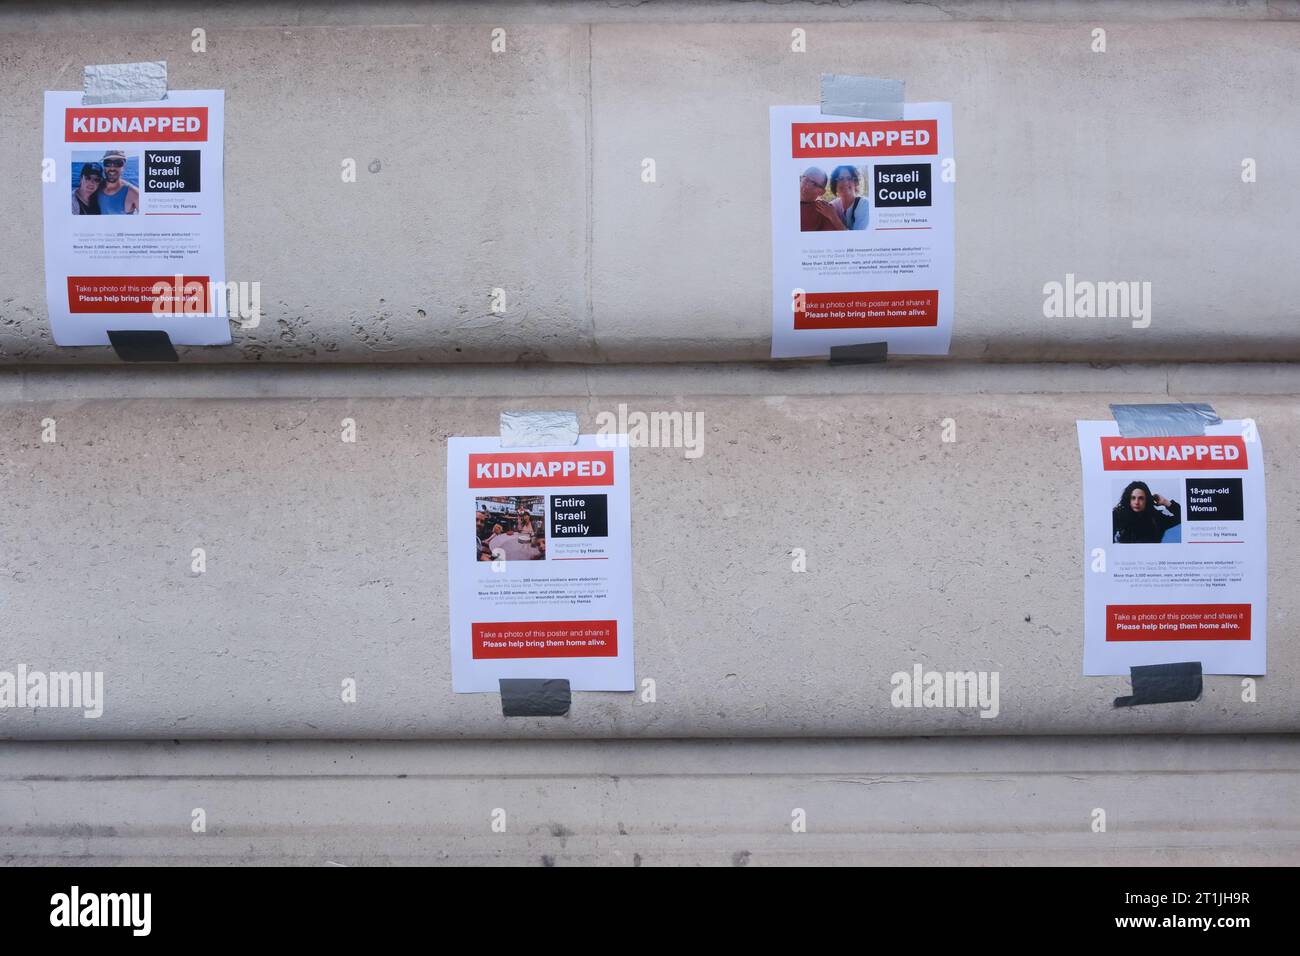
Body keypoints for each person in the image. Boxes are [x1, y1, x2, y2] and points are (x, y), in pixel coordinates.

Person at [1112, 480, 1181, 543]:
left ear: (1147, 500)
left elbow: (1183, 517)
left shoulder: (1157, 518)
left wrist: (1165, 502)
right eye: (1133, 498)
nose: (1136, 502)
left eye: (1141, 498)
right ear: (1128, 500)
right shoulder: (1118, 516)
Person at [799, 167, 846, 232]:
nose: (807, 186)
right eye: (806, 179)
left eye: (814, 184)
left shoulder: (825, 210)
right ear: (800, 179)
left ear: (822, 192)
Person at [96, 149, 139, 215]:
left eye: (118, 163)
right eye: (108, 163)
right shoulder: (95, 188)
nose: (112, 168)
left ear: (124, 166)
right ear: (104, 166)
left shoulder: (135, 194)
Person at [829, 165, 869, 230]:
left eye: (849, 178)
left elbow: (857, 238)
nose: (845, 182)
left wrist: (833, 217)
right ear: (835, 184)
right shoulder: (833, 205)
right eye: (840, 179)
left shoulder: (864, 204)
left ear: (856, 182)